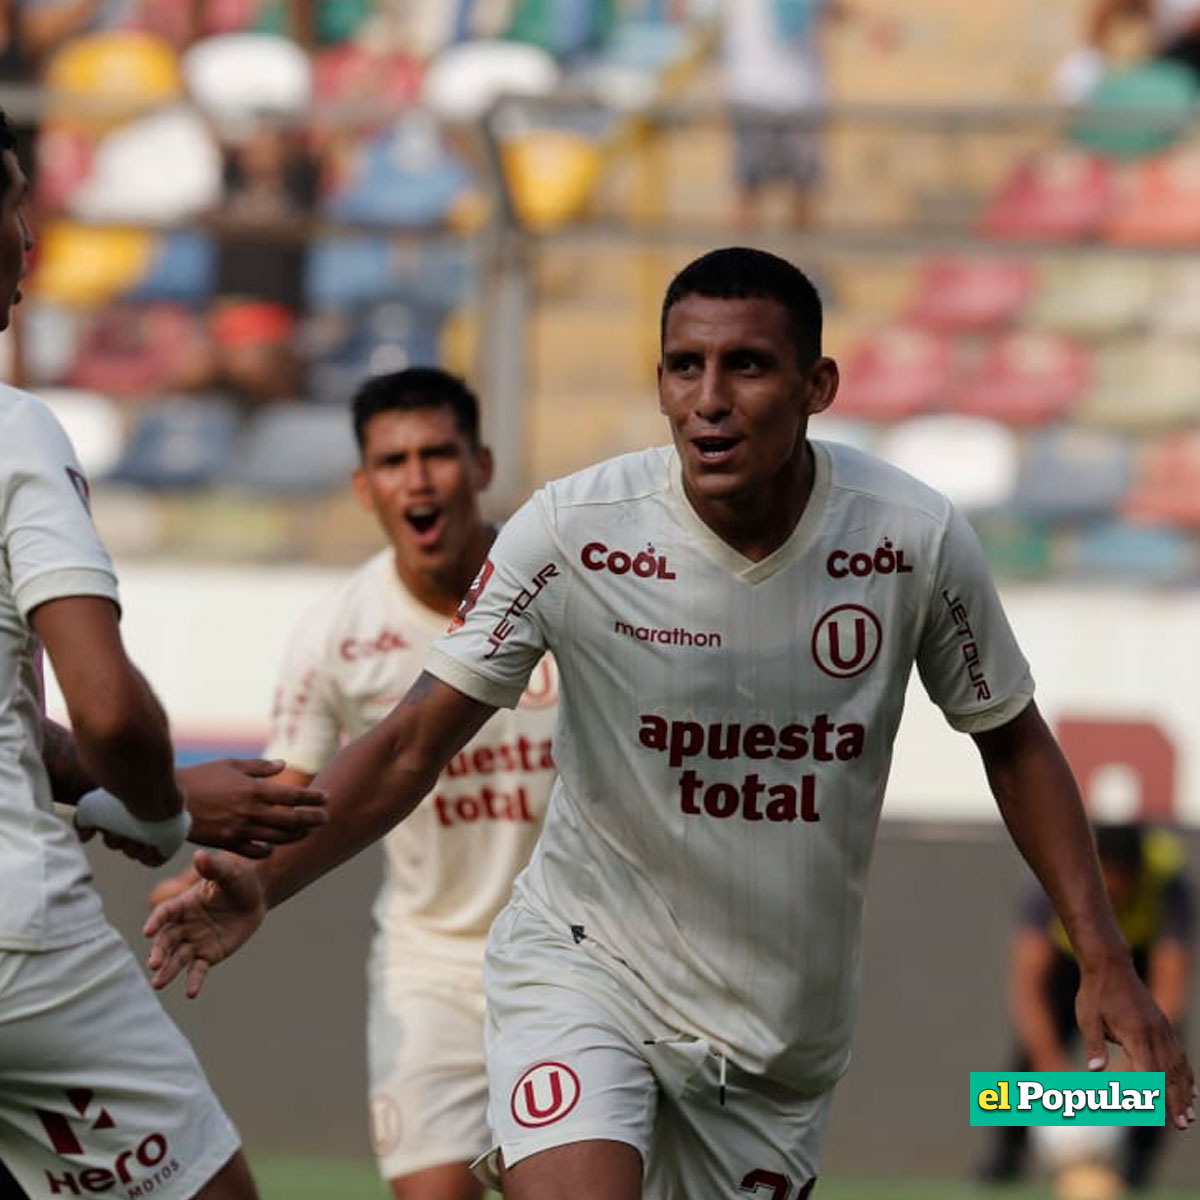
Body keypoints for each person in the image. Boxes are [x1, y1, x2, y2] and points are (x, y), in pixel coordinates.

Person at [145, 246, 1195, 1200]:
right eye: (684, 368)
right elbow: (415, 740)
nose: (709, 400)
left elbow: (1010, 735)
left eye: (748, 367)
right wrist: (266, 883)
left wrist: (1103, 955)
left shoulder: (911, 539)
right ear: (658, 383)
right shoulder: (574, 531)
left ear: (817, 387)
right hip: (587, 966)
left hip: (779, 1034)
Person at [0, 105, 326, 1200]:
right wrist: (166, 812)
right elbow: (110, 712)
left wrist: (112, 797)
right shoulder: (14, 434)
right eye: (8, 204)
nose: (29, 238)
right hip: (19, 958)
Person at [151, 367, 558, 1200]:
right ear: (363, 486)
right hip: (428, 968)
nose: (418, 478)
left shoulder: (558, 587)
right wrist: (221, 867)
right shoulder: (336, 633)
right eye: (394, 460)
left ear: (479, 467)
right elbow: (291, 792)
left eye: (438, 454)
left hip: (570, 961)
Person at [980, 822, 1194, 1190]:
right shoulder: (1051, 876)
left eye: (1122, 891)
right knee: (1035, 1042)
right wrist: (1049, 1063)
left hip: (1136, 961)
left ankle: (1137, 1163)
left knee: (1161, 1047)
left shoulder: (1168, 882)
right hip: (1071, 959)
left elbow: (1170, 986)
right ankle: (1006, 1156)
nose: (1116, 900)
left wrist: (1128, 1073)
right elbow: (1027, 985)